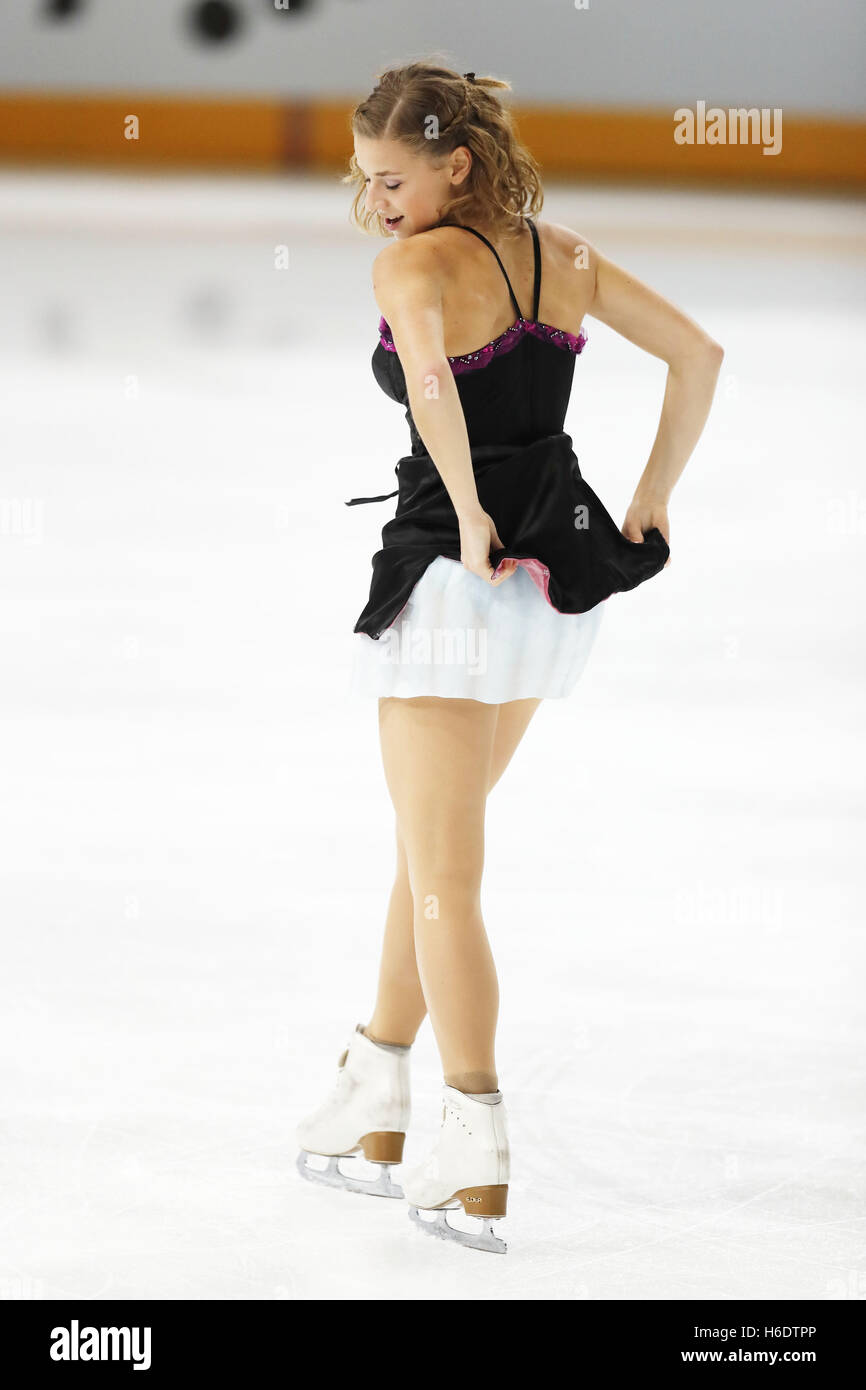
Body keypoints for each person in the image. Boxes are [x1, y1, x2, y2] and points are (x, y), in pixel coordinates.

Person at [296, 61, 723, 1254]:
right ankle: (376, 1087)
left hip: (452, 583)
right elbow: (697, 355)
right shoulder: (565, 257)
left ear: (455, 163)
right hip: (546, 594)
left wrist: (470, 510)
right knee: (431, 856)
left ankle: (471, 1142)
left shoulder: (414, 266)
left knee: (445, 874)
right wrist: (647, 500)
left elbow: (428, 375)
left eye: (392, 177)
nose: (375, 201)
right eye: (364, 180)